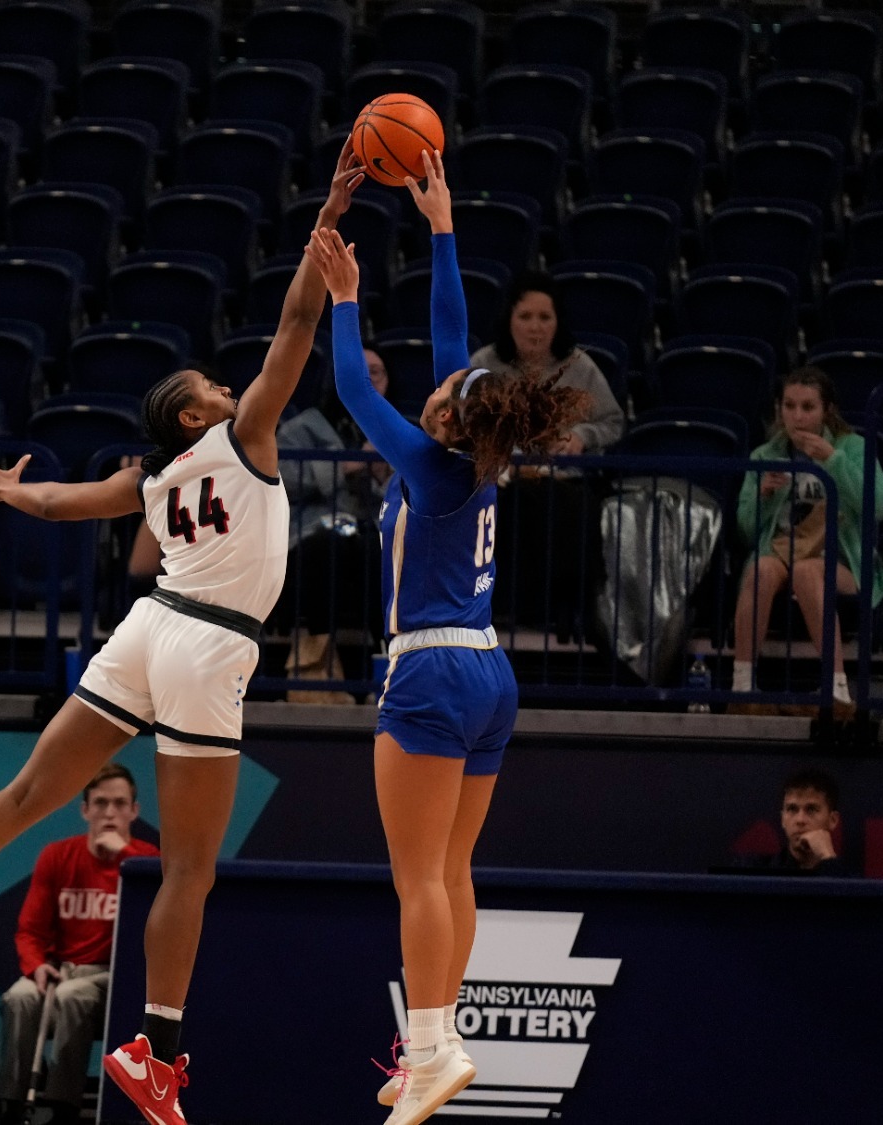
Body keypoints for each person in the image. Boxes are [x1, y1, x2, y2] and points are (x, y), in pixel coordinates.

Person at [0, 153, 371, 1125]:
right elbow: (296, 327)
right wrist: (329, 215)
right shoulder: (243, 437)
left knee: (21, 797)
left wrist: (8, 492)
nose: (230, 387)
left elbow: (59, 504)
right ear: (193, 414)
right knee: (187, 870)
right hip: (208, 648)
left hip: (144, 633)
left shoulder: (153, 481)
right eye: (212, 386)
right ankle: (155, 1052)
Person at [306, 149, 588, 1125]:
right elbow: (449, 333)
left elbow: (351, 390)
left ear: (443, 417)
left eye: (442, 388)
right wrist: (438, 228)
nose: (439, 381)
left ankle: (424, 1048)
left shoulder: (427, 466)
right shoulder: (473, 457)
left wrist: (342, 297)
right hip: (489, 675)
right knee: (452, 872)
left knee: (415, 877)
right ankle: (443, 1035)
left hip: (427, 672)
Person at [0, 764, 158, 1125]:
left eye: (119, 804)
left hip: (113, 977)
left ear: (134, 810)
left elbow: (156, 929)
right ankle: (12, 1104)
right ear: (85, 810)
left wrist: (125, 856)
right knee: (19, 998)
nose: (110, 813)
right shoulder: (57, 856)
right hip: (62, 969)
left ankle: (60, 1109)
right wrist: (36, 965)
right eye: (100, 803)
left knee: (73, 997)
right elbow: (30, 931)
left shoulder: (147, 862)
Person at [468, 275, 626, 638]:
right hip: (501, 481)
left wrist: (582, 436)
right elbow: (462, 421)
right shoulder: (484, 363)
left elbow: (613, 421)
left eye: (545, 317)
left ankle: (563, 613)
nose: (535, 328)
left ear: (558, 322)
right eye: (526, 317)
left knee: (566, 509)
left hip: (561, 482)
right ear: (509, 319)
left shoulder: (578, 366)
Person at [730, 368, 883, 719]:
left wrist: (832, 460)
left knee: (806, 573)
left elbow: (879, 507)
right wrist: (764, 497)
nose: (798, 417)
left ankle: (836, 692)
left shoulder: (853, 448)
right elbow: (746, 531)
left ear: (826, 411)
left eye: (808, 407)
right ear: (779, 409)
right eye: (789, 406)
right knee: (759, 570)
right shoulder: (764, 455)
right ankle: (742, 689)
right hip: (782, 551)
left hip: (842, 558)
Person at [271, 358, 390, 700]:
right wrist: (347, 467)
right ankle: (315, 674)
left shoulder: (394, 431)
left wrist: (381, 477)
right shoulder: (304, 426)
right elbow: (279, 477)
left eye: (377, 372)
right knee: (329, 547)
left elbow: (408, 497)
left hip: (366, 536)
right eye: (359, 370)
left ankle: (384, 671)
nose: (368, 379)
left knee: (376, 552)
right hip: (308, 538)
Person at [741, 768, 849, 875]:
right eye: (792, 809)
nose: (800, 820)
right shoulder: (752, 872)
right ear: (783, 818)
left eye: (811, 809)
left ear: (833, 820)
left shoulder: (854, 881)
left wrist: (827, 857)